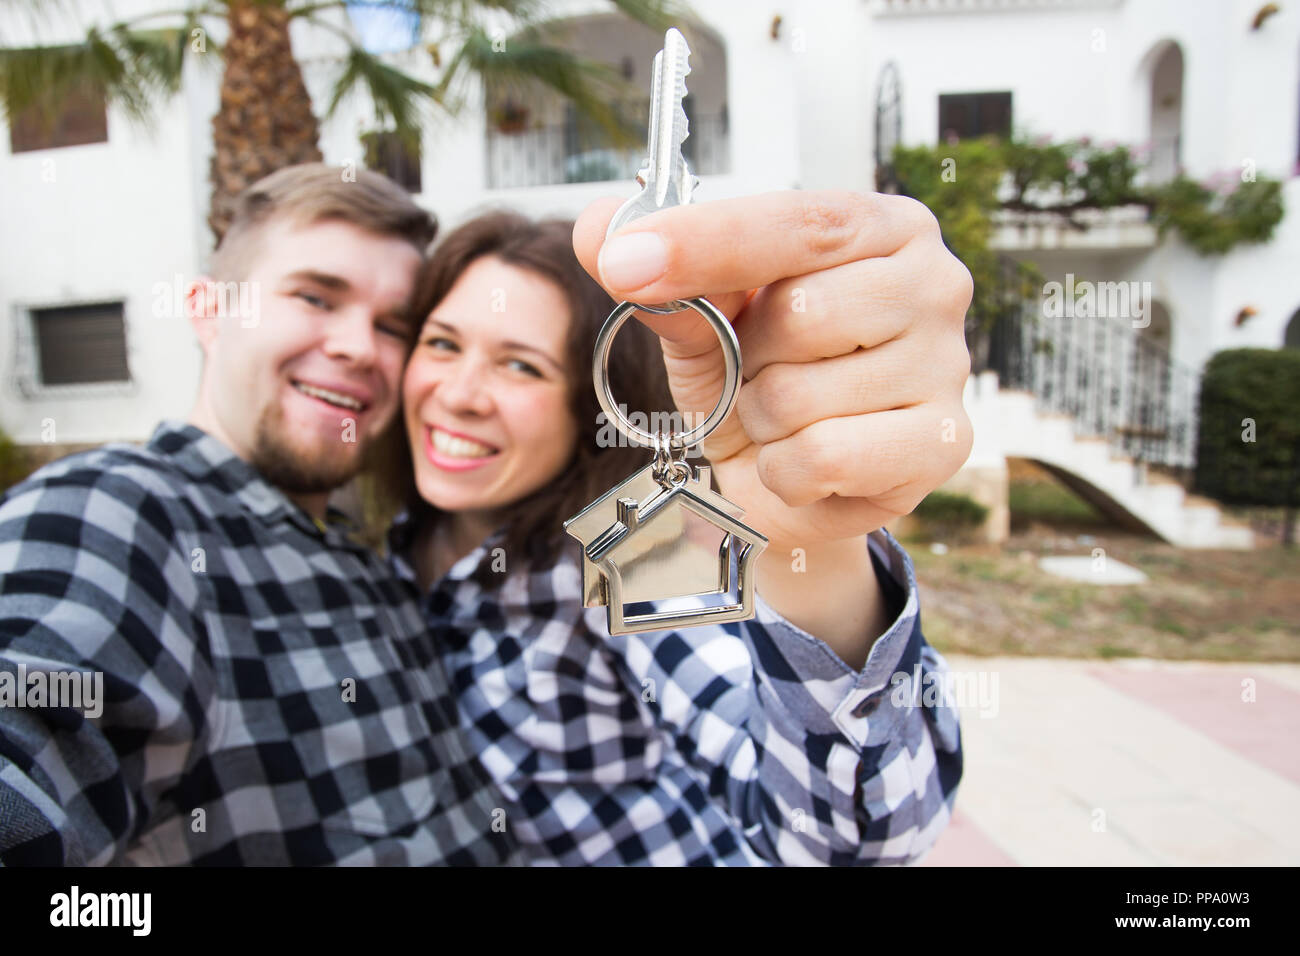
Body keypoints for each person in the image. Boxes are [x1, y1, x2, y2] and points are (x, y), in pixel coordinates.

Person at [382, 201, 972, 865]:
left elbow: (845, 840)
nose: (459, 393)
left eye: (521, 366)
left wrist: (820, 547)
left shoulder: (643, 548)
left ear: (592, 403)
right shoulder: (379, 542)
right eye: (442, 344)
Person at [0, 165, 517, 864]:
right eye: (313, 296)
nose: (359, 347)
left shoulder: (375, 562)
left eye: (394, 326)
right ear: (208, 310)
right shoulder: (122, 512)